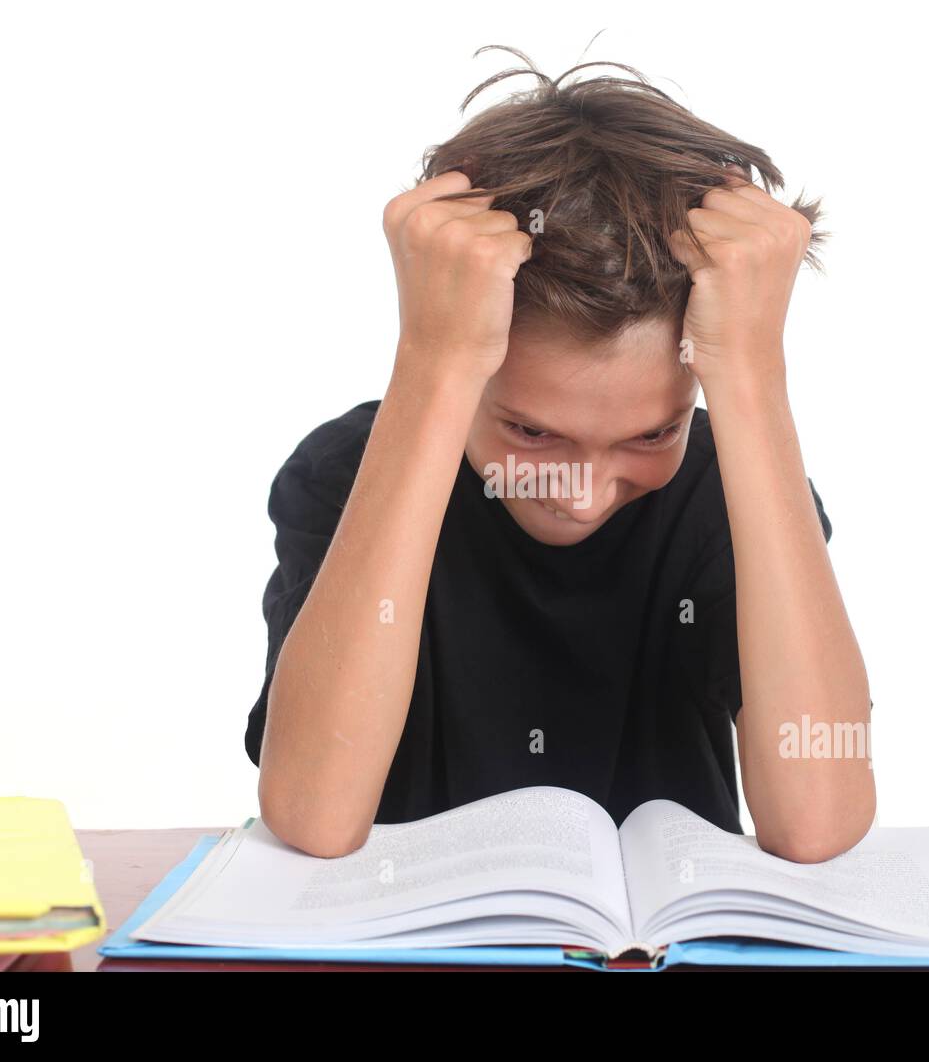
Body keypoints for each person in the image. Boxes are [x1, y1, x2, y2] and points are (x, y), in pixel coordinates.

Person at [245, 48, 875, 862]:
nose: (581, 495)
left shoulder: (727, 489)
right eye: (532, 432)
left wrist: (752, 376)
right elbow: (313, 814)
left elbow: (820, 823)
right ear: (467, 363)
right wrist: (430, 362)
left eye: (653, 433)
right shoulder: (345, 473)